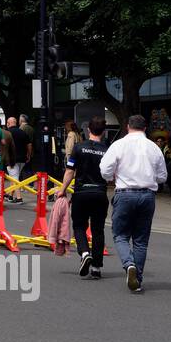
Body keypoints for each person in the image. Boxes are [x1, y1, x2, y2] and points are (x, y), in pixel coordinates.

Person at [99, 114, 168, 293]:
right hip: (147, 195)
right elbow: (162, 177)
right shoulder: (154, 147)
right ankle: (137, 277)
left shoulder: (119, 144)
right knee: (141, 240)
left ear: (127, 126)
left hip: (125, 193)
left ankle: (129, 265)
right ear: (145, 128)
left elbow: (105, 170)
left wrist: (112, 176)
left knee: (120, 235)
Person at [57, 115, 111, 279]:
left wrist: (62, 189)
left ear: (88, 130)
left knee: (79, 226)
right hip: (100, 193)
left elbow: (70, 171)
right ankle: (96, 267)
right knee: (98, 230)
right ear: (104, 131)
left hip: (81, 192)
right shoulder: (107, 150)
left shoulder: (79, 148)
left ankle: (85, 253)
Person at [5, 115, 30, 203]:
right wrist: (28, 155)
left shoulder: (7, 132)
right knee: (14, 177)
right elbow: (29, 145)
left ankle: (19, 198)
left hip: (12, 159)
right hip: (22, 159)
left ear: (8, 123)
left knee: (14, 178)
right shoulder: (23, 132)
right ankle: (11, 196)